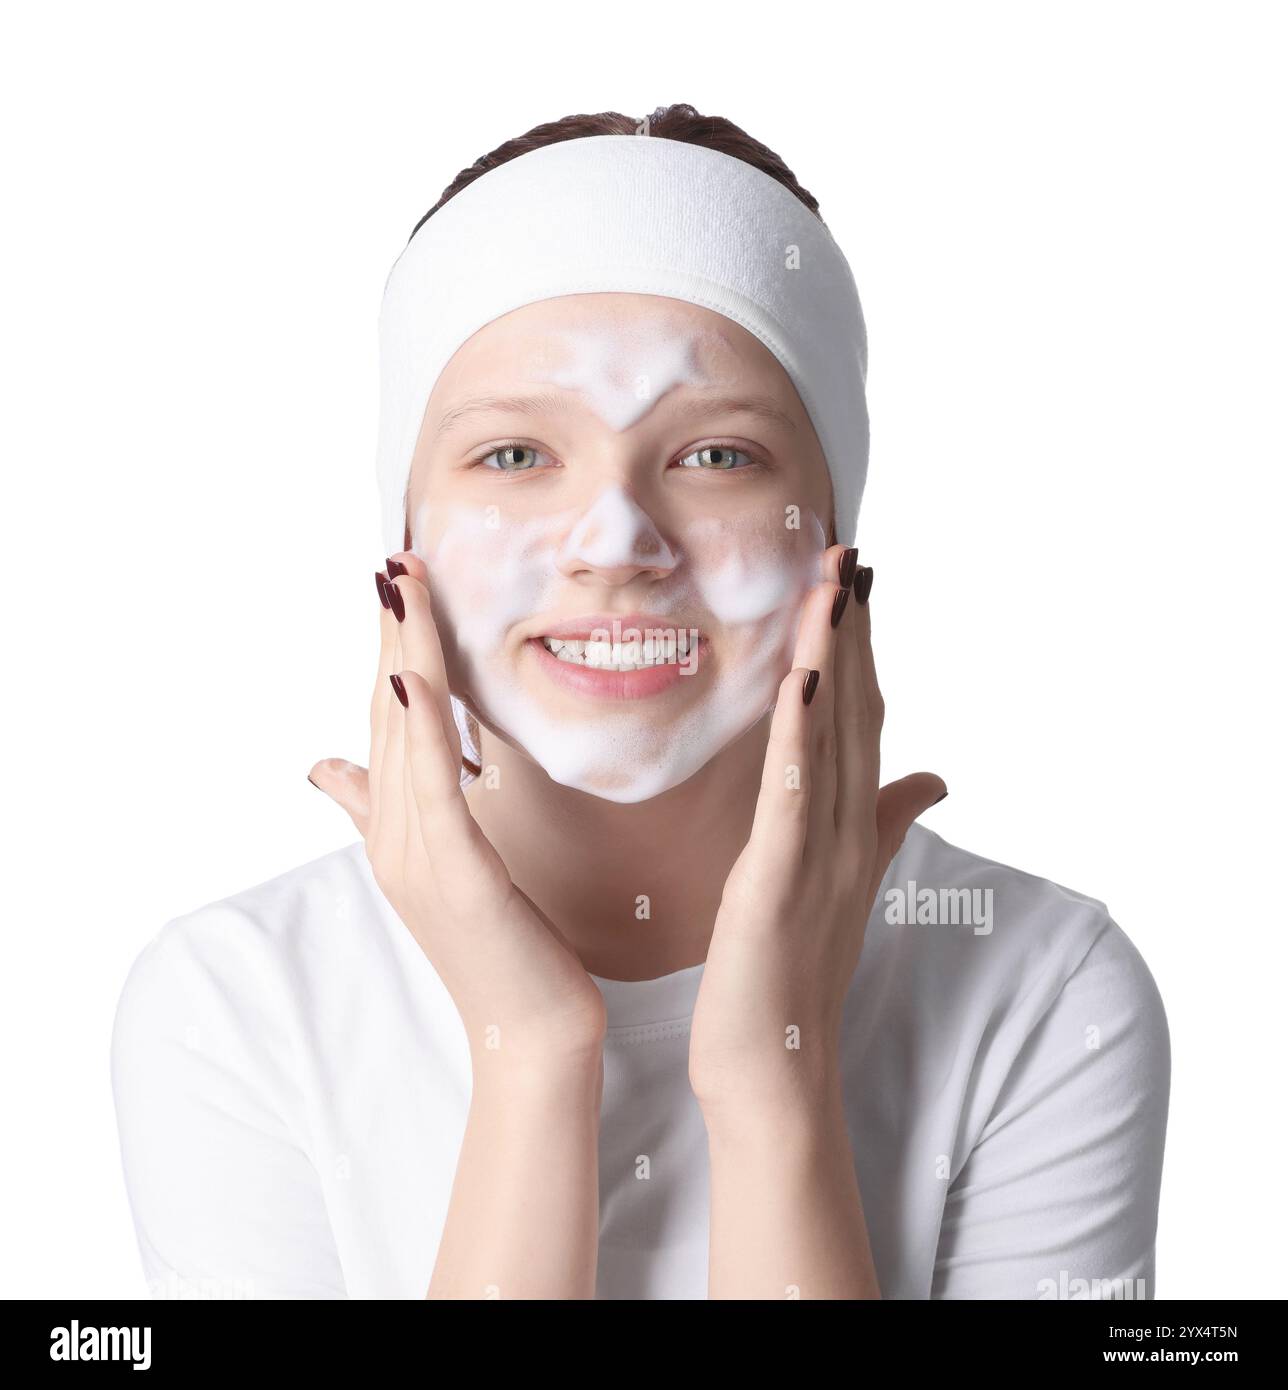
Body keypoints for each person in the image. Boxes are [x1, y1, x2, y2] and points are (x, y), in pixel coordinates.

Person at [110, 105, 1170, 1300]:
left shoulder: (1038, 984)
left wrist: (777, 1079)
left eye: (716, 456)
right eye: (513, 454)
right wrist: (532, 1061)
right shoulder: (236, 1005)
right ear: (402, 544)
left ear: (836, 538)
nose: (614, 544)